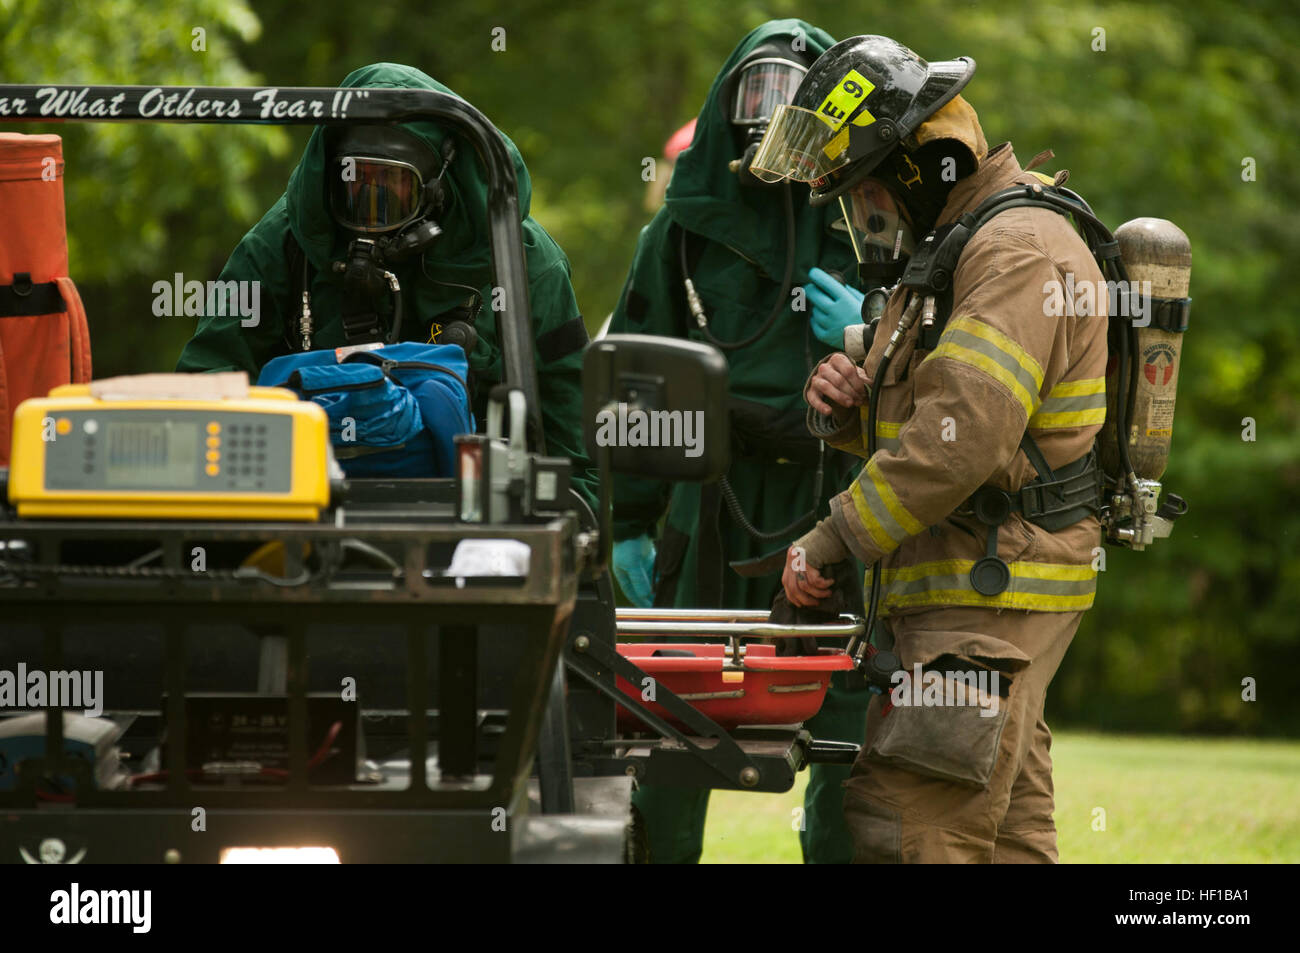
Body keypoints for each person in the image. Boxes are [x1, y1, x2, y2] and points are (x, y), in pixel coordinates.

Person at [754, 35, 1108, 863]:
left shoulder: (1012, 249)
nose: (868, 214)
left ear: (919, 165)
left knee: (911, 824)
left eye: (869, 190)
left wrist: (833, 536)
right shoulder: (959, 249)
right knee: (1008, 832)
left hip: (988, 590)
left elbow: (965, 438)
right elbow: (936, 417)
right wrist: (847, 408)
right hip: (983, 589)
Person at [608, 20, 886, 865]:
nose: (767, 121)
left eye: (787, 100)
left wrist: (870, 331)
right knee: (671, 716)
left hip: (836, 492)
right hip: (709, 497)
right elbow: (635, 370)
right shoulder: (683, 230)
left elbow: (939, 358)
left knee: (851, 724)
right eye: (752, 97)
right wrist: (627, 519)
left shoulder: (872, 217)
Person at [176, 63, 596, 505]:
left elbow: (572, 431)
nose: (370, 212)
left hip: (479, 517)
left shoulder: (521, 258)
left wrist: (579, 530)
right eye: (353, 187)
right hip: (308, 508)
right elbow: (209, 379)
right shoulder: (282, 244)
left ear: (437, 188)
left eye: (392, 189)